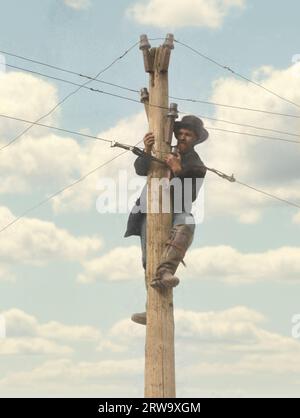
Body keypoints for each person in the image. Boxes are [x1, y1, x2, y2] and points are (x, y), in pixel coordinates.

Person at [124, 115, 209, 325]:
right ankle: (151, 306)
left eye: (188, 134)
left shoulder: (196, 165)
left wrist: (178, 170)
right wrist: (147, 150)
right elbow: (141, 169)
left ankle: (165, 271)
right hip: (149, 209)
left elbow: (189, 195)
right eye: (180, 133)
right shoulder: (165, 150)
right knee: (148, 258)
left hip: (176, 208)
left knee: (187, 222)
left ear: (195, 139)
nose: (182, 137)